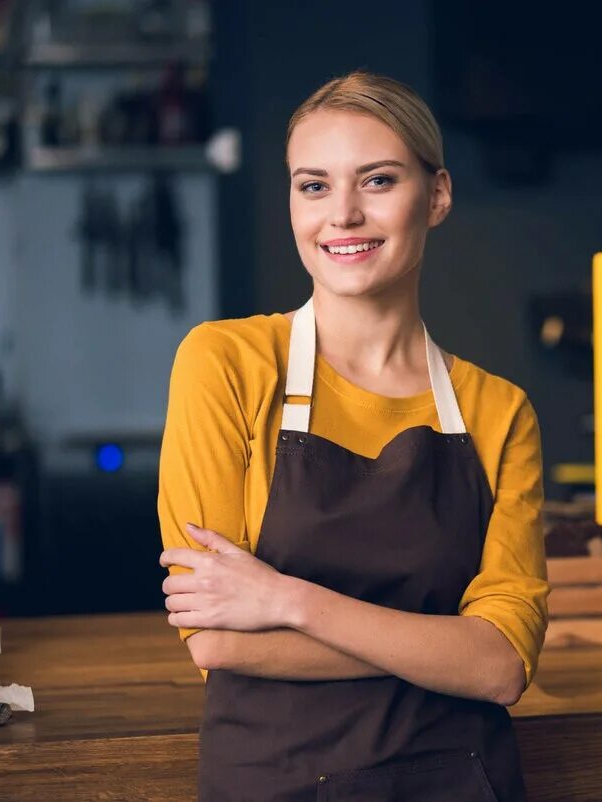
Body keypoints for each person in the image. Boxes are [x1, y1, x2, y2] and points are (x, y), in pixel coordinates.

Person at [157, 70, 548, 802]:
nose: (343, 214)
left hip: (457, 782)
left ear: (437, 196)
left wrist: (287, 601)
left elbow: (501, 669)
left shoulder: (499, 412)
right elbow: (217, 639)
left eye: (378, 180)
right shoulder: (226, 365)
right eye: (314, 186)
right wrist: (443, 647)